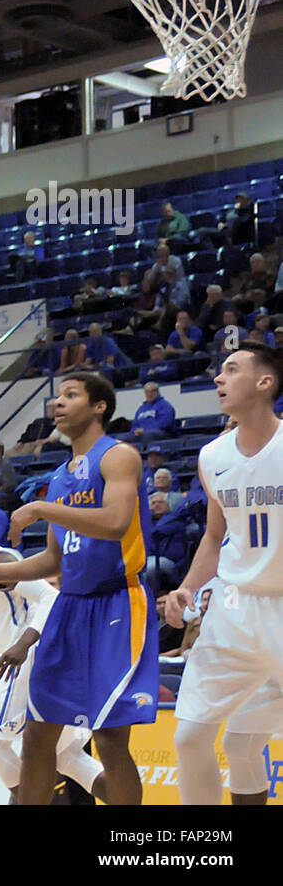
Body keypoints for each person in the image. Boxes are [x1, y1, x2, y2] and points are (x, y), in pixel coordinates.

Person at [0, 373, 158, 805]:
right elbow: (53, 562)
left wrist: (46, 509)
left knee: (110, 739)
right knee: (39, 735)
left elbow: (117, 522)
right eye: (57, 395)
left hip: (117, 602)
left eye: (70, 395)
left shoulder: (117, 457)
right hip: (71, 607)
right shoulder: (61, 478)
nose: (57, 403)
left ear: (99, 406)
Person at [165, 342, 283, 805]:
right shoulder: (212, 456)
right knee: (191, 737)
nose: (218, 378)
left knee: (244, 742)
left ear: (264, 382)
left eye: (231, 370)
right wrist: (187, 589)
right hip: (235, 609)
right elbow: (214, 538)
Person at [0, 505, 106, 803]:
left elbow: (50, 596)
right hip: (41, 658)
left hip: (35, 656)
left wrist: (22, 644)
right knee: (67, 758)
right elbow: (4, 615)